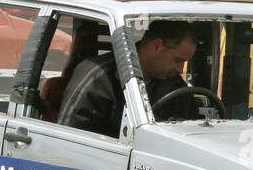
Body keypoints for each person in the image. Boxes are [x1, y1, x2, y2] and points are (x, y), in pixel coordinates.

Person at [57, 20, 198, 137]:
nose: (181, 69)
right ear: (157, 45)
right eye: (178, 60)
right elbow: (69, 138)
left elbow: (193, 133)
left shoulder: (176, 87)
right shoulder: (98, 78)